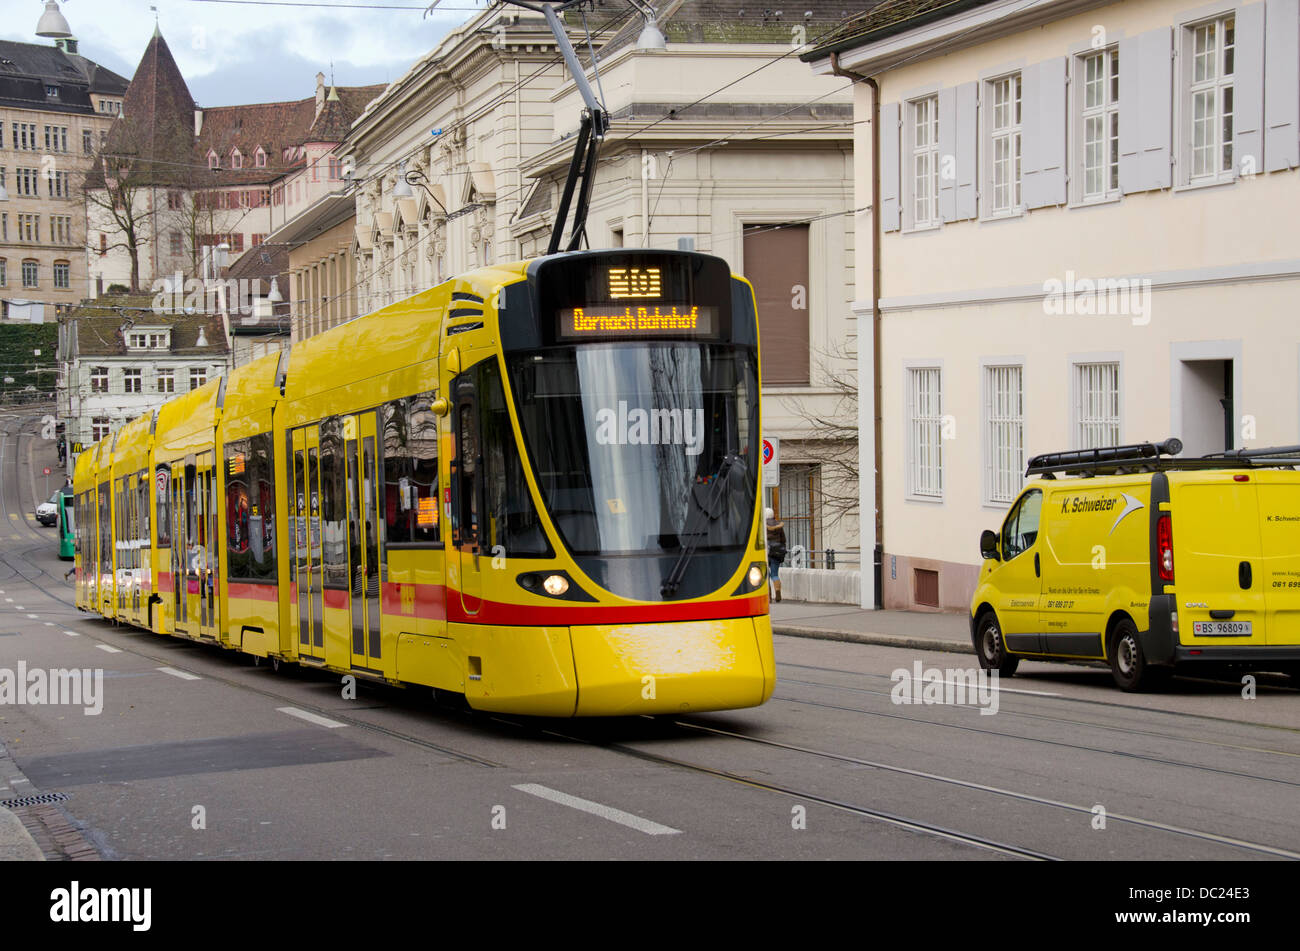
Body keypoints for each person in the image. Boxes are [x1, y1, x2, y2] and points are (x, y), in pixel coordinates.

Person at [765, 507, 787, 602]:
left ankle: (768, 597)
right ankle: (778, 594)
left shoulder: (762, 525)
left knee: (766, 576)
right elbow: (783, 540)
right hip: (777, 552)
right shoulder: (779, 526)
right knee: (774, 575)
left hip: (766, 552)